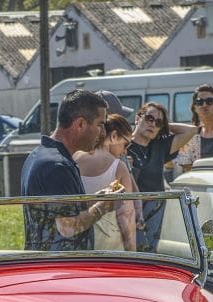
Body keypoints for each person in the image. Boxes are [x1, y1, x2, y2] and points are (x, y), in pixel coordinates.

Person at [20, 89, 120, 252]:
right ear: (80, 124)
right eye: (100, 124)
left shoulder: (40, 154)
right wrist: (104, 205)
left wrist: (97, 198)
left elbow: (59, 211)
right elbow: (68, 226)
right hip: (59, 270)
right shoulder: (56, 166)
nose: (103, 133)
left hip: (49, 267)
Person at [128, 102, 196, 250]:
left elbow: (191, 131)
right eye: (149, 118)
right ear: (137, 118)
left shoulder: (159, 146)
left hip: (156, 213)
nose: (153, 124)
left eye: (158, 122)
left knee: (153, 257)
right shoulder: (123, 146)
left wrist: (165, 126)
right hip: (129, 212)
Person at [75, 113, 138, 250]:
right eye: (125, 144)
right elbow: (126, 215)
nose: (125, 151)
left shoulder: (74, 160)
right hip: (111, 247)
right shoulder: (119, 167)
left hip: (79, 244)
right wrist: (132, 251)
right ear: (114, 136)